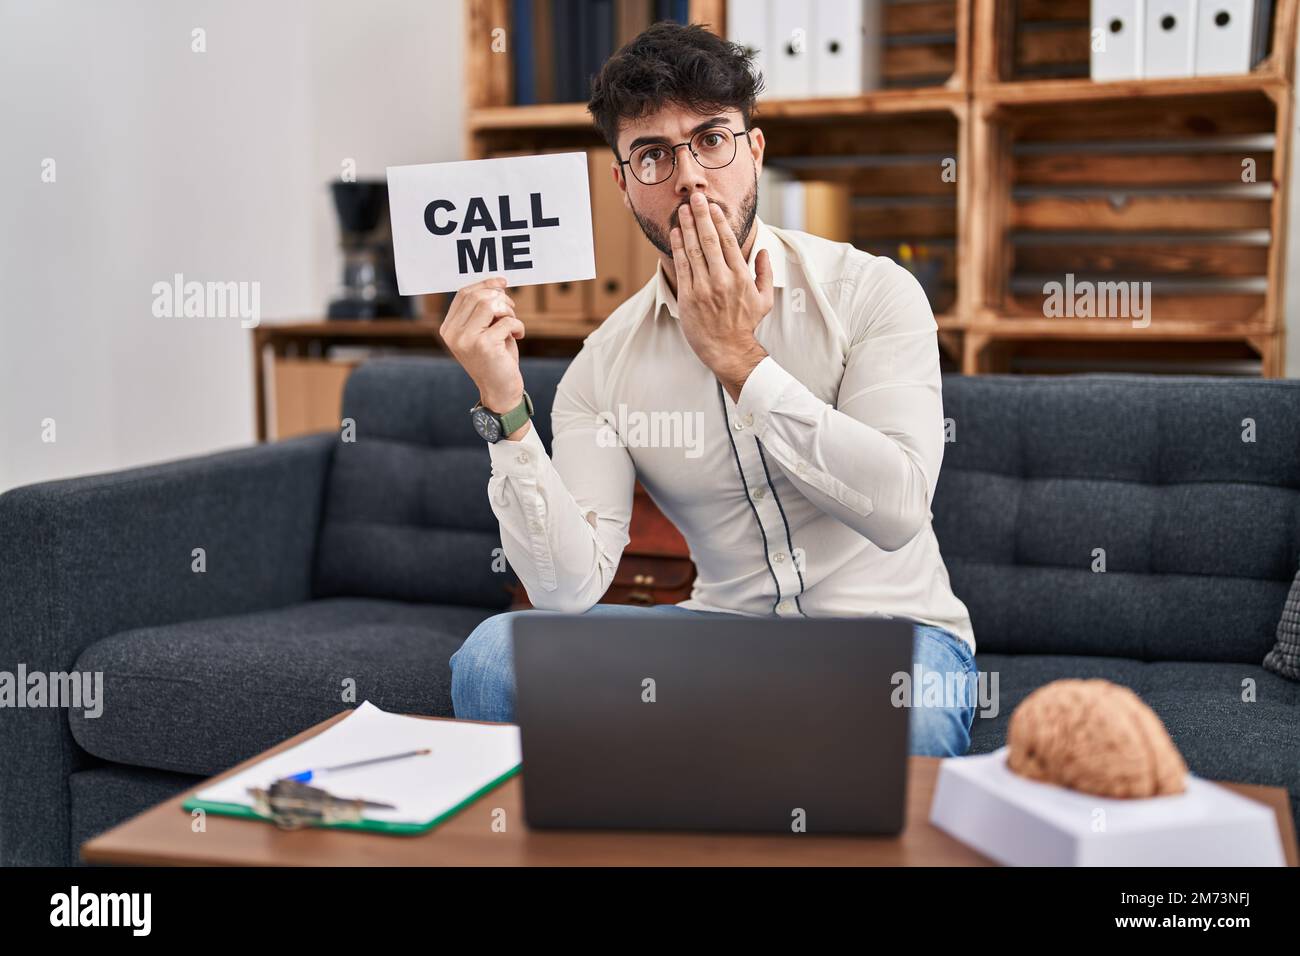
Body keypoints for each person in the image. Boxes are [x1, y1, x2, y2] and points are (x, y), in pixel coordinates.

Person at [441, 22, 978, 756]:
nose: (690, 175)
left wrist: (741, 363)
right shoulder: (602, 367)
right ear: (623, 182)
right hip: (725, 639)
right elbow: (569, 592)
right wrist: (505, 408)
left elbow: (897, 511)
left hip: (895, 641)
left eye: (712, 139)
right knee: (493, 656)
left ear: (753, 152)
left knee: (907, 719)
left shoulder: (873, 292)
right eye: (654, 155)